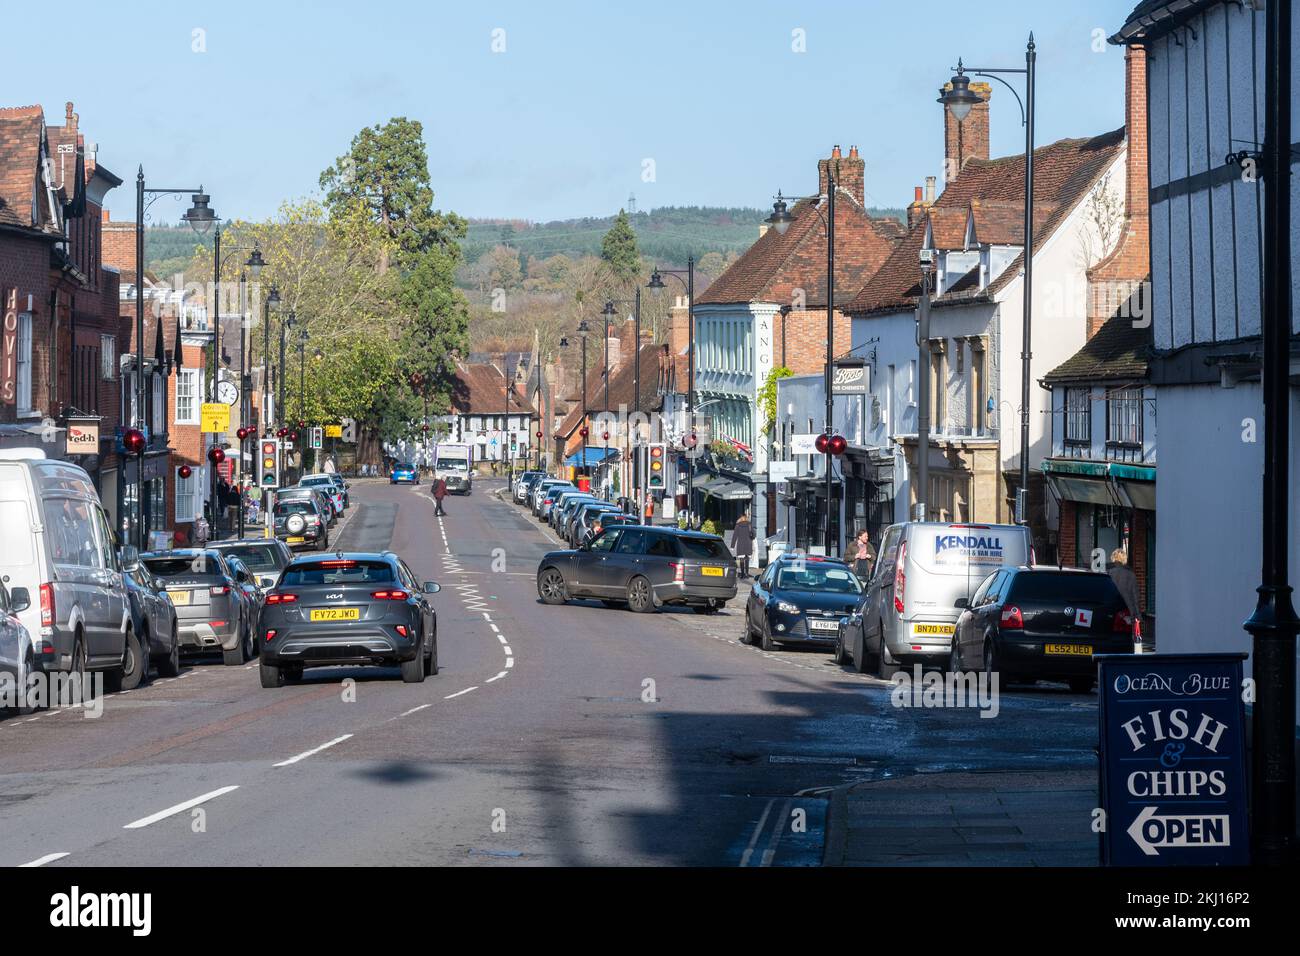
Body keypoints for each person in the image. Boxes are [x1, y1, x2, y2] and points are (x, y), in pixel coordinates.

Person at [1108, 548, 1142, 643]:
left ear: (1113, 558)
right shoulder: (1131, 574)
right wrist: (1138, 615)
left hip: (1112, 609)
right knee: (1127, 639)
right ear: (1124, 559)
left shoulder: (1108, 573)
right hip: (1128, 611)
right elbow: (1135, 596)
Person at [730, 511, 755, 579]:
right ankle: (747, 574)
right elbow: (754, 534)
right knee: (747, 560)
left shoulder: (738, 525)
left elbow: (735, 536)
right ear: (746, 518)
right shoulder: (749, 525)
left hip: (740, 544)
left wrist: (732, 546)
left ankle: (742, 574)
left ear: (740, 518)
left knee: (741, 559)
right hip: (748, 544)